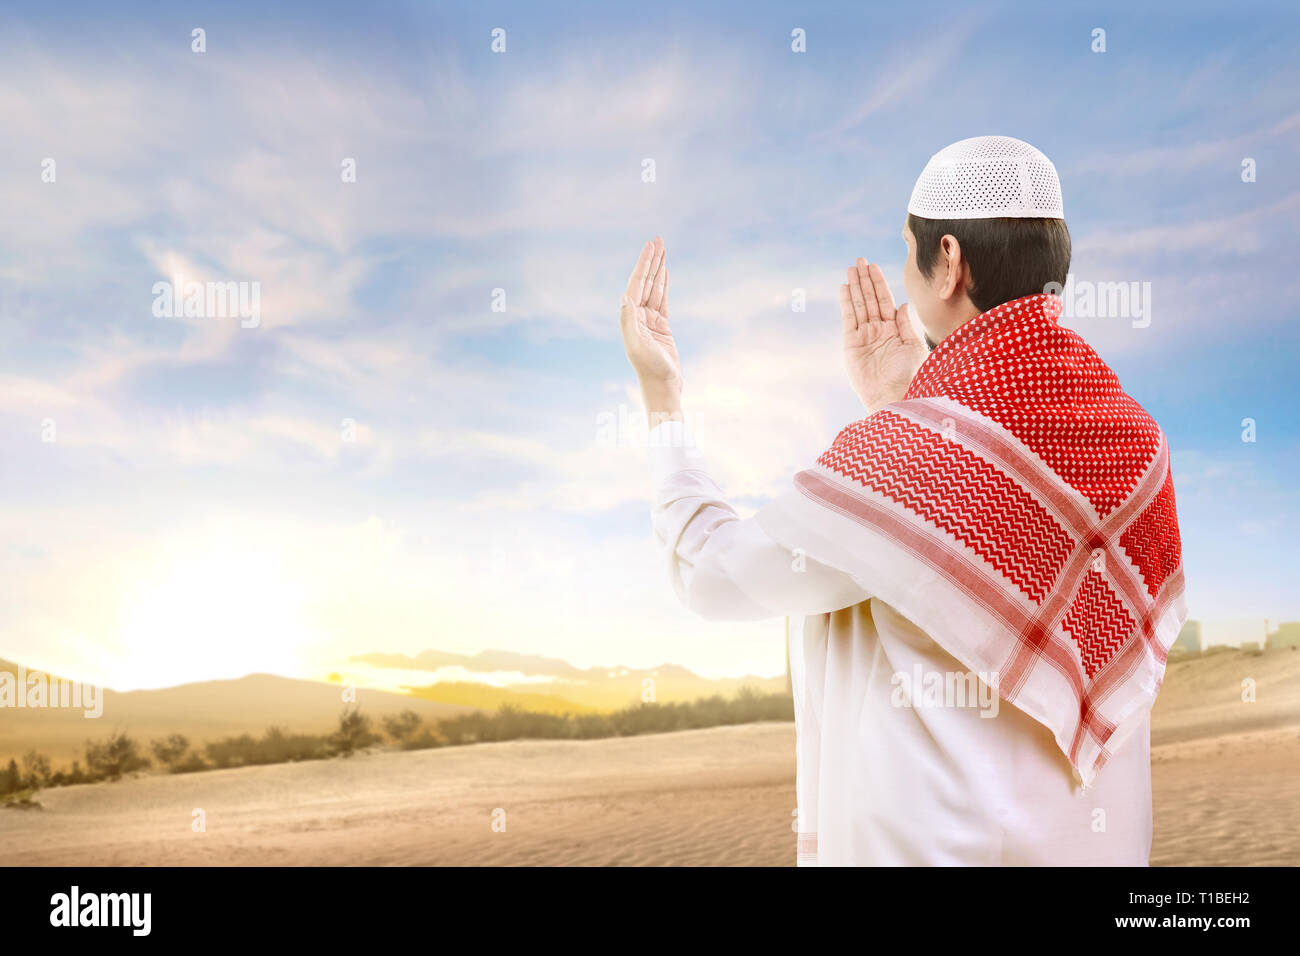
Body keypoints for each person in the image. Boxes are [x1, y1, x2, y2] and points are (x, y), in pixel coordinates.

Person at [617, 136, 1186, 866]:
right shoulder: (1138, 442)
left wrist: (663, 398)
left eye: (909, 248)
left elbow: (714, 573)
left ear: (948, 261)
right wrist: (906, 400)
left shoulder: (910, 457)